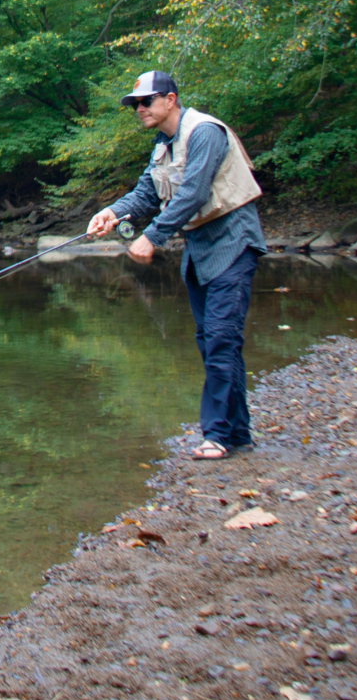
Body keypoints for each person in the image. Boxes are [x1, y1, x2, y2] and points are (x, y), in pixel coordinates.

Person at [88, 71, 267, 460]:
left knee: (220, 338)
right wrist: (112, 213)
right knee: (213, 341)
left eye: (146, 101)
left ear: (170, 100)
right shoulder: (162, 144)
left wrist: (151, 236)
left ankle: (216, 435)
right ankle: (238, 434)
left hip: (234, 242)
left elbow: (193, 193)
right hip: (201, 248)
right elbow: (147, 190)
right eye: (135, 104)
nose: (139, 109)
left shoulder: (205, 132)